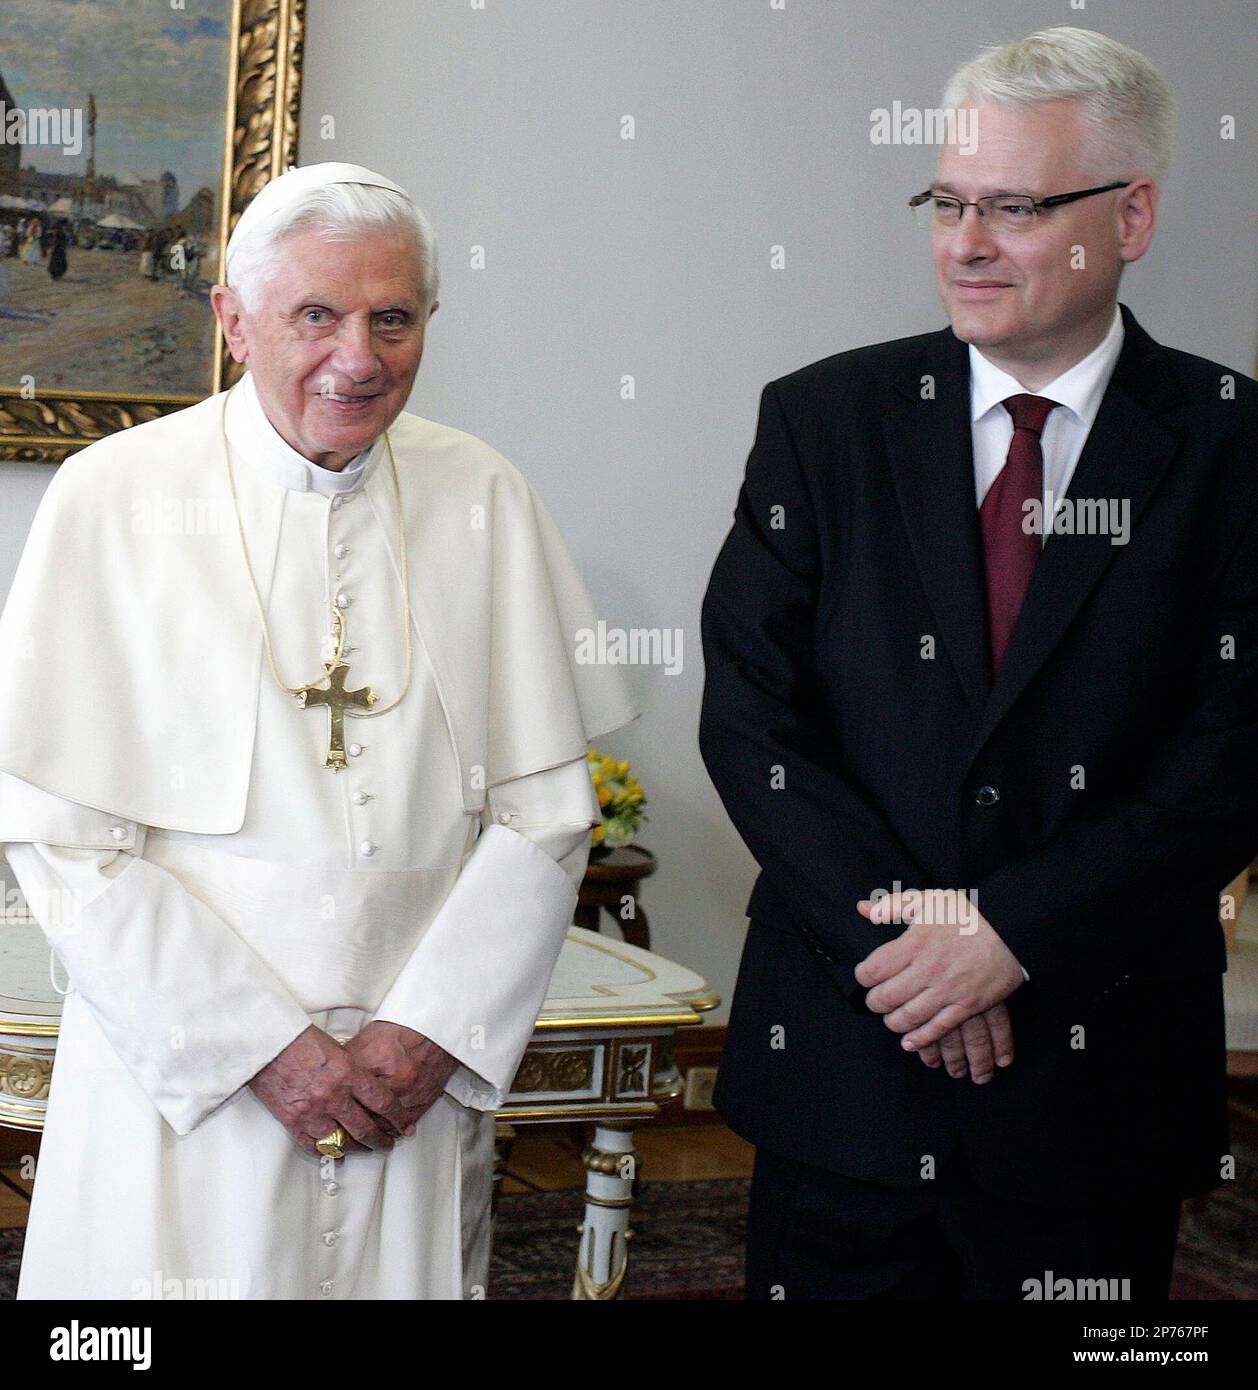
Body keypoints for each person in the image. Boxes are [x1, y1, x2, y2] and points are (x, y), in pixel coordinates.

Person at [0, 161, 638, 1299]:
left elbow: (546, 813)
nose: (359, 357)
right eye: (316, 316)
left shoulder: (483, 496)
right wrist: (260, 1048)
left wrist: (425, 1032)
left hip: (410, 1078)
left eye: (392, 318)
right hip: (185, 1083)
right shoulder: (113, 497)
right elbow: (62, 837)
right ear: (233, 321)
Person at [700, 26, 1258, 1301]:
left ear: (1132, 215)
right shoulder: (823, 420)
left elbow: (1233, 751)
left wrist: (1013, 934)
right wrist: (915, 958)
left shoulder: (1232, 449)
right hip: (845, 1053)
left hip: (1094, 1077)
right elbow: (750, 715)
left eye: (1012, 206)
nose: (963, 242)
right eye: (947, 201)